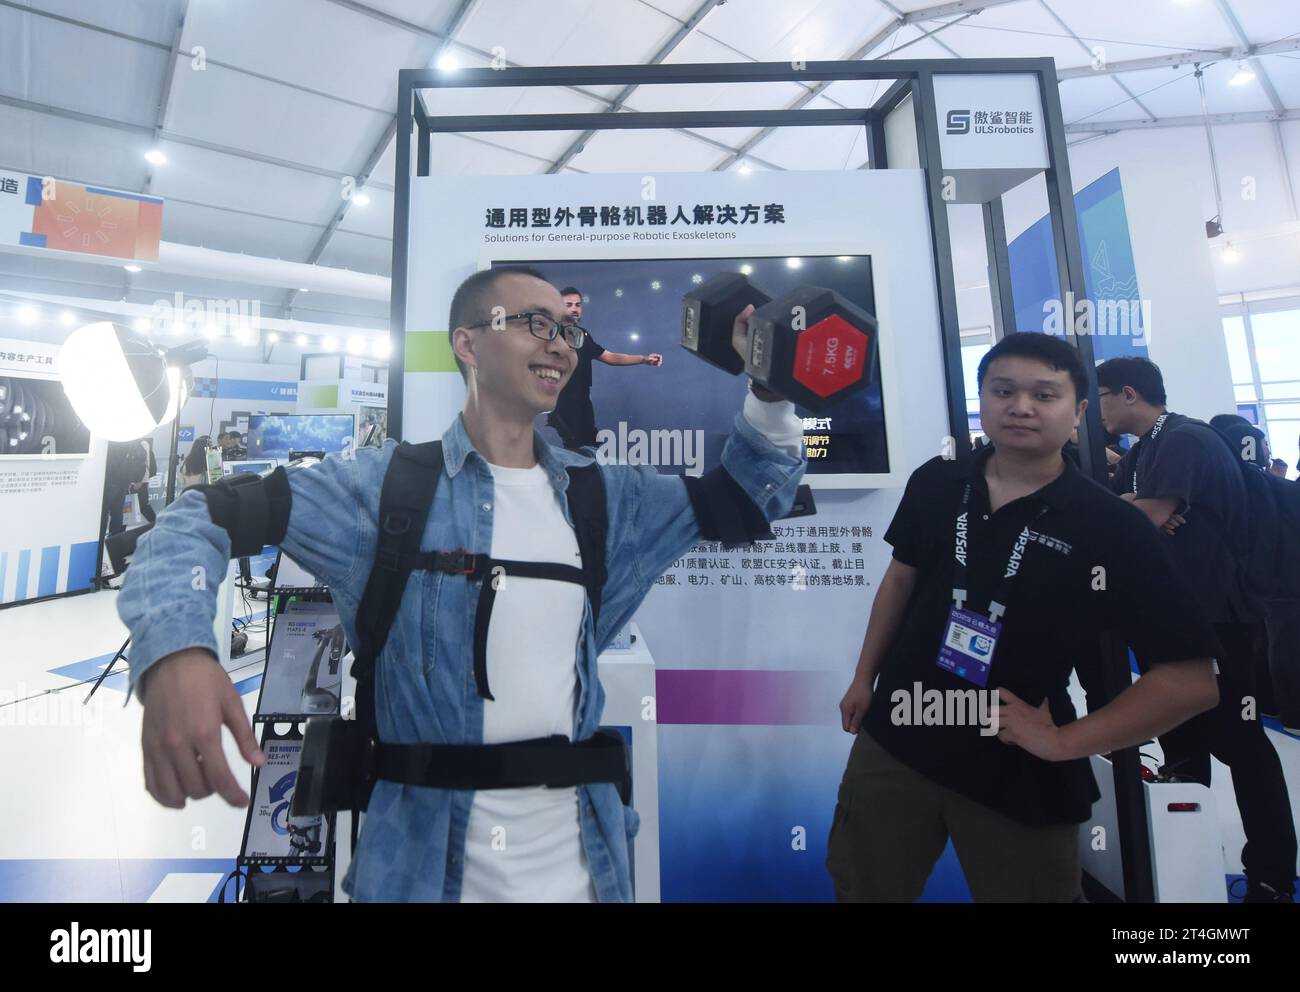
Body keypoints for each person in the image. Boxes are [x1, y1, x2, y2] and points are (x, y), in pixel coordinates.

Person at [116, 265, 807, 903]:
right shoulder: (383, 491)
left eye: (567, 331)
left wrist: (770, 386)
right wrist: (176, 650)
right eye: (537, 324)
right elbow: (201, 517)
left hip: (587, 873)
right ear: (468, 344)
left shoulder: (609, 500)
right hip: (418, 873)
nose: (563, 346)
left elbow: (747, 498)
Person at [828, 332, 1219, 903]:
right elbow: (901, 579)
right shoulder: (936, 483)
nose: (1021, 407)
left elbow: (1190, 680)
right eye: (1003, 390)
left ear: (1080, 410)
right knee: (862, 888)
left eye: (1045, 394)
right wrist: (865, 677)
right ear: (982, 398)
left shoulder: (1109, 525)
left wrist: (1066, 742)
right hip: (899, 736)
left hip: (1017, 764)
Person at [1098, 357, 1297, 902]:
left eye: (1103, 397)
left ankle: (1271, 875)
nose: (1098, 411)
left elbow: (1152, 512)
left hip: (1220, 621)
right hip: (1175, 618)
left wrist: (1148, 509)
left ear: (1130, 394)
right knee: (1182, 743)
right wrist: (1137, 508)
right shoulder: (1145, 450)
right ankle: (1189, 865)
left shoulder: (1185, 439)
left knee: (1242, 745)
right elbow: (1128, 509)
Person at [546, 286, 663, 450]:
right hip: (561, 407)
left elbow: (610, 357)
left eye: (578, 305)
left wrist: (644, 359)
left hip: (581, 406)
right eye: (569, 304)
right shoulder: (548, 334)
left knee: (588, 452)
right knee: (577, 454)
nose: (574, 309)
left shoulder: (582, 335)